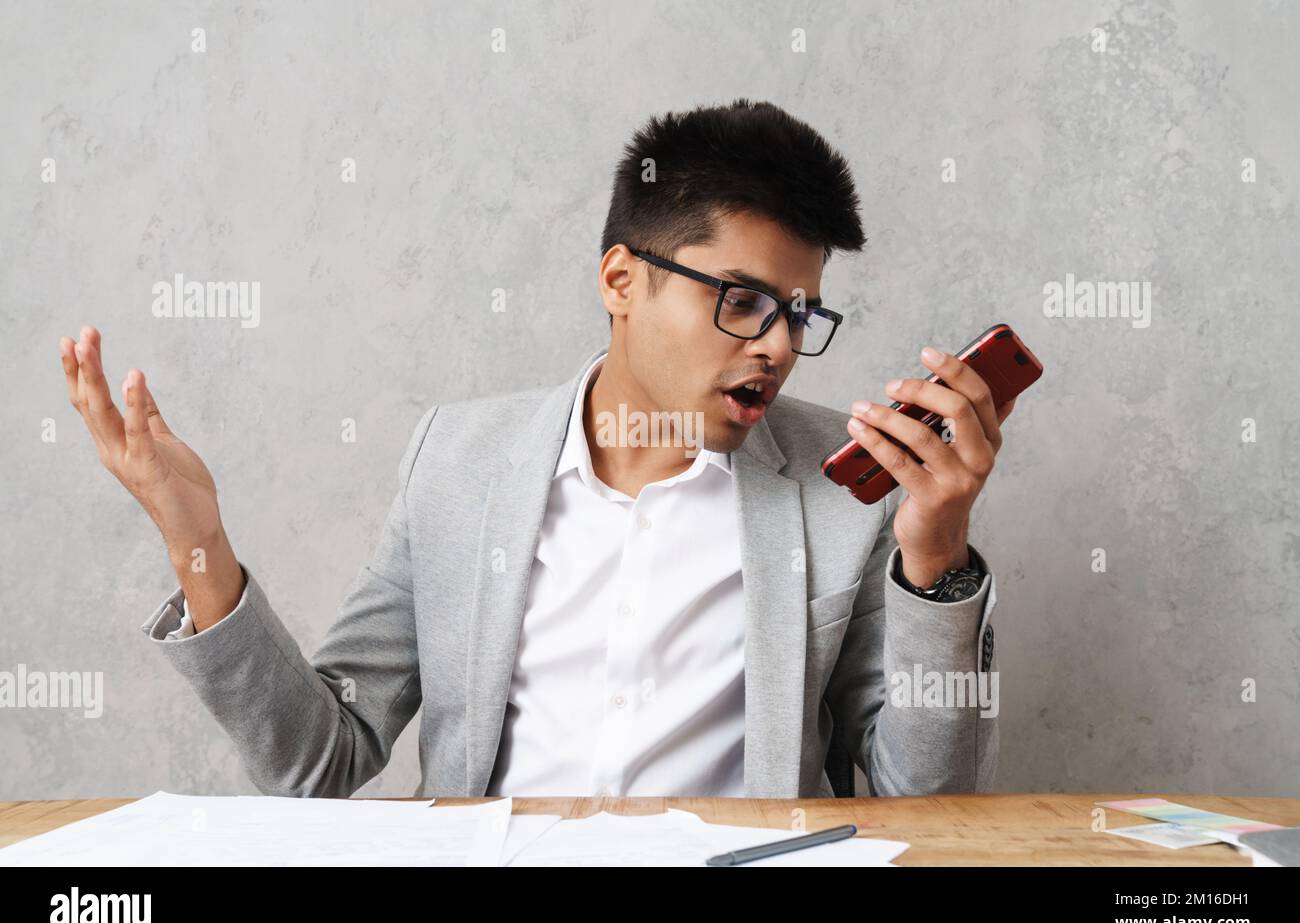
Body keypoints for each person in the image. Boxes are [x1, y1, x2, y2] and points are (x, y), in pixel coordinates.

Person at [58, 98, 1015, 799]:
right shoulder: (457, 462)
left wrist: (934, 559)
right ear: (622, 280)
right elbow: (319, 760)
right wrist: (200, 546)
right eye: (742, 299)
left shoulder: (843, 489)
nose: (776, 344)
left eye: (799, 313)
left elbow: (926, 812)